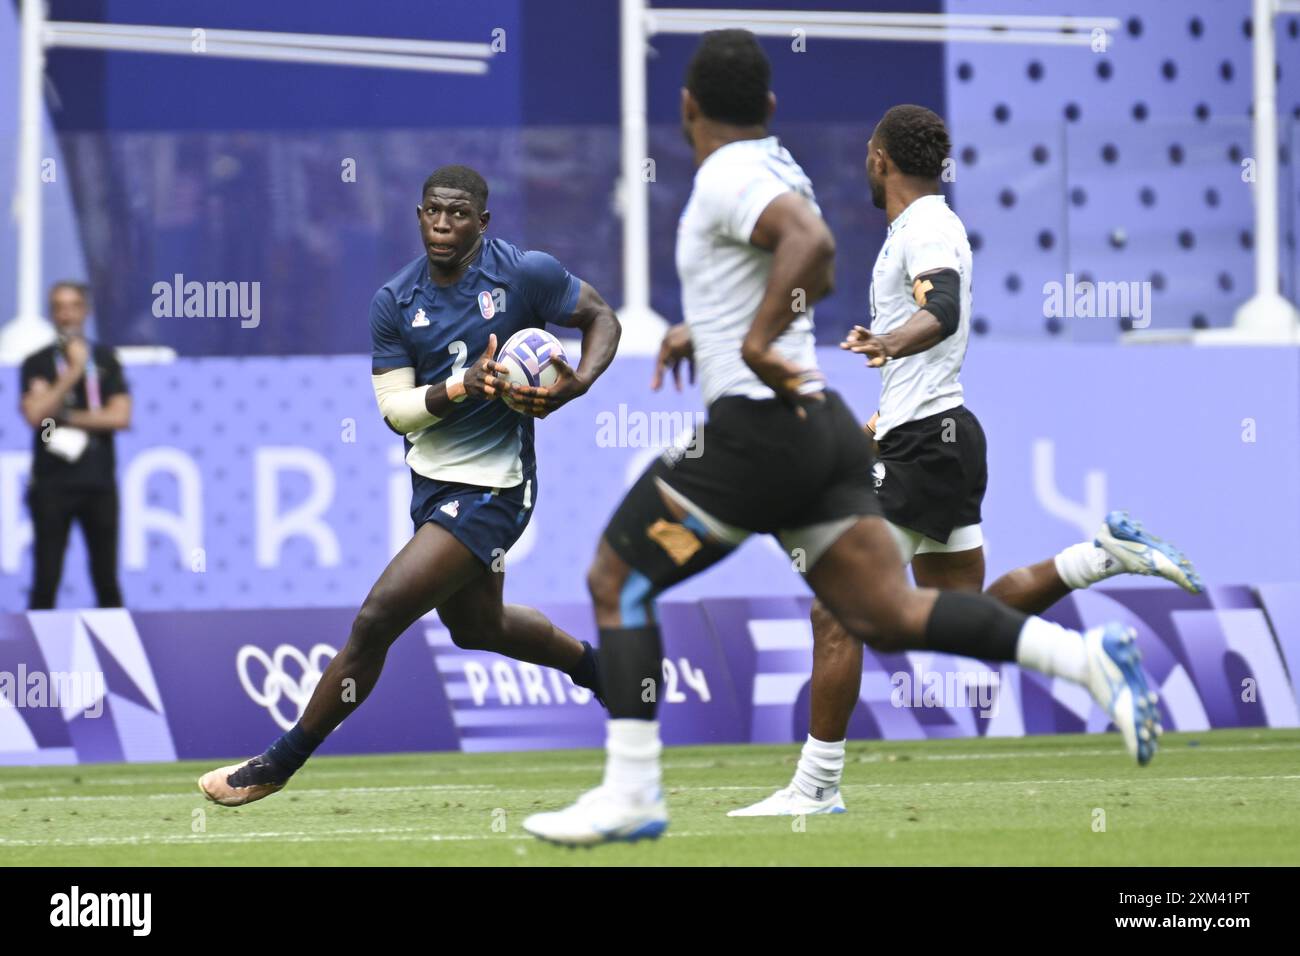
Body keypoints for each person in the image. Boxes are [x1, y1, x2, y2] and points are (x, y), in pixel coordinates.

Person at [522, 32, 1159, 847]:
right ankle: (1089, 662)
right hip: (823, 431)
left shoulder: (730, 172)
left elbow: (812, 251)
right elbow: (796, 271)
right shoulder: (782, 165)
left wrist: (748, 349)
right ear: (772, 108)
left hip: (757, 432)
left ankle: (633, 791)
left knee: (618, 577)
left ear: (686, 109)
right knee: (886, 614)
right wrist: (710, 331)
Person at [731, 105, 1202, 817]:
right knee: (960, 617)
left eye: (868, 155)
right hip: (931, 435)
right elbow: (935, 330)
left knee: (837, 614)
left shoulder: (925, 227)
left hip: (929, 443)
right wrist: (886, 414)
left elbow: (943, 308)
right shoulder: (920, 227)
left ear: (879, 157)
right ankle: (1098, 560)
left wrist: (892, 342)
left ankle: (815, 788)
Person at [199, 165, 621, 806]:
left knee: (376, 619)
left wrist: (578, 383)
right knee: (478, 627)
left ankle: (275, 765)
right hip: (431, 484)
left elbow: (601, 317)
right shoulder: (395, 301)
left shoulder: (524, 274)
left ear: (483, 221)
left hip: (495, 487)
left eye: (457, 215)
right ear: (419, 216)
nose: (443, 225)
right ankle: (602, 670)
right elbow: (395, 411)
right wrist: (461, 386)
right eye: (432, 212)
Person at [19, 281, 131, 610]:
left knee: (106, 579)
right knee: (46, 578)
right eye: (59, 307)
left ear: (85, 310)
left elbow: (120, 416)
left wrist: (65, 414)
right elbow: (36, 414)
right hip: (53, 484)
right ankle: (34, 658)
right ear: (52, 313)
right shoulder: (38, 362)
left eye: (73, 306)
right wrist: (73, 372)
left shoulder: (107, 359)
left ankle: (118, 656)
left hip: (98, 483)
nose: (66, 314)